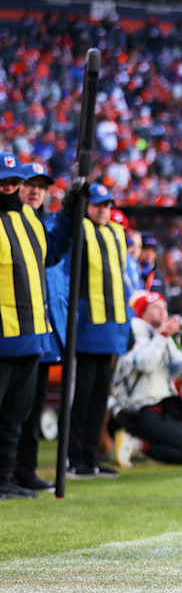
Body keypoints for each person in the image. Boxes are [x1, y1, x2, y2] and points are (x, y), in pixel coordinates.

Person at [45, 182, 132, 479]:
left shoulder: (117, 234)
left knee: (98, 398)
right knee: (80, 396)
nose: (104, 211)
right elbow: (60, 238)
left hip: (111, 327)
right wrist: (70, 210)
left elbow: (121, 282)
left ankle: (90, 457)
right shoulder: (77, 230)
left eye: (108, 205)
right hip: (85, 327)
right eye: (98, 205)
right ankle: (73, 458)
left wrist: (126, 325)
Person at [0, 154, 52, 499]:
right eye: (3, 183)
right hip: (3, 335)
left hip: (31, 335)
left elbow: (58, 251)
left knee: (15, 417)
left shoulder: (30, 221)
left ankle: (5, 478)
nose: (10, 188)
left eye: (13, 183)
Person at [110, 291, 182, 466]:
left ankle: (137, 444)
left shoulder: (161, 334)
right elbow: (145, 364)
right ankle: (132, 440)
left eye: (164, 307)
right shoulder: (134, 331)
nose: (162, 312)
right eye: (155, 308)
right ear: (143, 312)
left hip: (161, 408)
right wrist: (163, 336)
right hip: (138, 409)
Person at [14, 161, 58, 492]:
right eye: (29, 184)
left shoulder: (47, 228)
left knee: (31, 407)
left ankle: (25, 469)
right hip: (13, 328)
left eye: (41, 187)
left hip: (42, 330)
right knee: (12, 409)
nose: (34, 191)